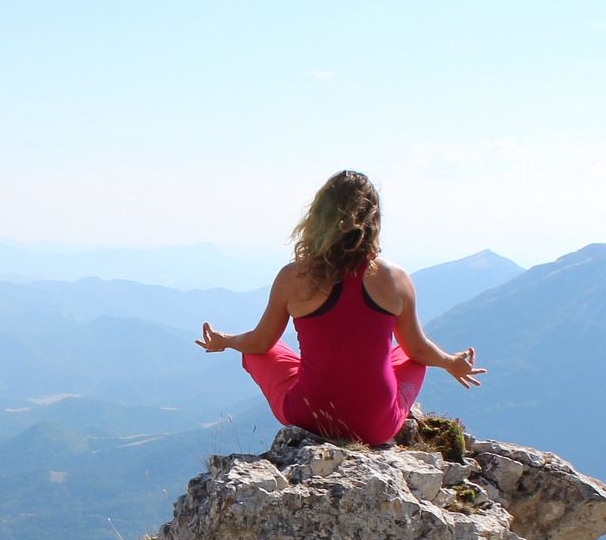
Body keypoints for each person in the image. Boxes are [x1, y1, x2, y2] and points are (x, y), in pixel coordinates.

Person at [195, 170, 485, 445]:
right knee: (409, 356)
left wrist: (226, 341)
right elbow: (418, 350)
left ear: (318, 218)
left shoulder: (293, 276)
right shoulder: (395, 279)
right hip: (376, 428)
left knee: (258, 350)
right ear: (373, 220)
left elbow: (259, 342)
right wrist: (451, 363)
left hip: (309, 416)